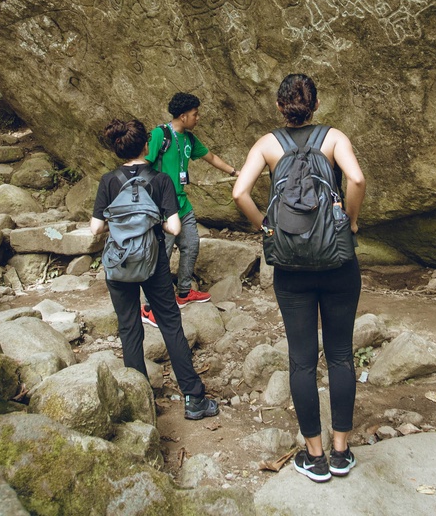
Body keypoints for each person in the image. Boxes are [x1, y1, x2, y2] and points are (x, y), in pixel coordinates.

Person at [231, 74, 366, 482]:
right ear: (316, 104)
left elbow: (240, 192)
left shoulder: (268, 144)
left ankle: (315, 456)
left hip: (290, 268)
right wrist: (351, 221)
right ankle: (342, 452)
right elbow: (356, 180)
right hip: (338, 261)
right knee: (341, 355)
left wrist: (266, 227)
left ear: (279, 107)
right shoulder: (334, 138)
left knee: (302, 361)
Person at [90, 118, 219, 421]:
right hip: (153, 262)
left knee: (129, 326)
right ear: (146, 146)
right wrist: (151, 219)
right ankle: (194, 399)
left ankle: (140, 403)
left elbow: (95, 228)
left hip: (119, 263)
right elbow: (174, 225)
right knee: (170, 324)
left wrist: (122, 223)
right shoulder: (160, 180)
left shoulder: (109, 181)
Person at [141, 92, 238, 325]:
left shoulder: (190, 140)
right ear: (183, 116)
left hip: (182, 204)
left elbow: (211, 157)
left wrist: (235, 172)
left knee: (191, 245)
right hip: (162, 207)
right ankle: (148, 306)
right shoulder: (159, 135)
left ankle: (184, 292)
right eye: (195, 114)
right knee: (160, 255)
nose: (198, 117)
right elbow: (144, 164)